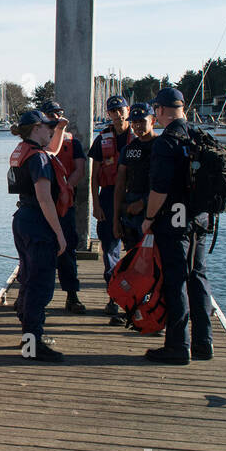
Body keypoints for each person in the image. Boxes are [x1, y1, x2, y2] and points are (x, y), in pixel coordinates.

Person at [141, 87, 213, 364]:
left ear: (159, 110)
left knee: (175, 280)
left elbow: (159, 189)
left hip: (175, 219)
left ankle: (177, 346)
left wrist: (148, 218)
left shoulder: (166, 141)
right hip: (201, 218)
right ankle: (203, 344)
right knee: (198, 278)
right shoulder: (199, 135)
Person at [9, 108, 68, 362]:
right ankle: (32, 346)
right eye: (48, 127)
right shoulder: (38, 159)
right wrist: (59, 234)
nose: (51, 130)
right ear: (36, 129)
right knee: (39, 285)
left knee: (29, 278)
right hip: (37, 222)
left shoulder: (27, 152)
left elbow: (51, 150)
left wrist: (61, 129)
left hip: (22, 219)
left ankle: (29, 337)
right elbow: (45, 199)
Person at [37, 99, 88, 313]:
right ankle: (29, 296)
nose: (56, 117)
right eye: (51, 114)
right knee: (36, 252)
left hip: (64, 205)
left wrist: (67, 186)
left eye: (59, 113)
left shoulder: (72, 142)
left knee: (67, 251)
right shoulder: (37, 143)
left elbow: (79, 169)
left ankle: (72, 295)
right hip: (41, 205)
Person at [91, 95, 136, 314]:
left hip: (134, 198)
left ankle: (136, 297)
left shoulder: (139, 137)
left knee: (137, 248)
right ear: (108, 114)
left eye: (120, 110)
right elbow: (94, 174)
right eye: (112, 111)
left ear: (128, 110)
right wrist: (96, 203)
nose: (117, 114)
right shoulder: (102, 139)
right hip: (108, 196)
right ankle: (113, 297)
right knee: (109, 249)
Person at [114, 101, 156, 254]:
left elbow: (168, 184)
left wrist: (144, 202)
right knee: (133, 258)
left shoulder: (162, 147)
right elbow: (120, 184)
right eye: (134, 122)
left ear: (153, 121)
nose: (137, 126)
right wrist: (115, 220)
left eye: (142, 121)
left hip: (153, 211)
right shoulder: (128, 150)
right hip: (131, 213)